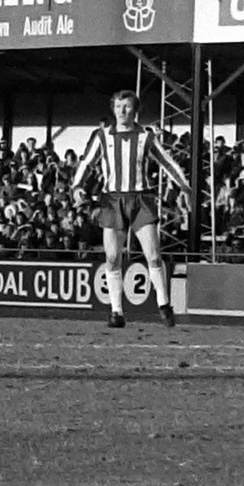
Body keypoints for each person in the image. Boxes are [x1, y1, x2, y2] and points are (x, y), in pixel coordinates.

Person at [71, 90, 189, 328]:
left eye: (126, 107)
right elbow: (87, 162)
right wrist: (76, 186)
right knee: (113, 256)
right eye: (118, 107)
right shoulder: (102, 136)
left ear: (135, 110)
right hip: (112, 200)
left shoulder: (146, 136)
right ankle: (116, 312)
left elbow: (166, 162)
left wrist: (184, 186)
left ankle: (164, 305)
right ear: (113, 109)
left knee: (153, 255)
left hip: (140, 199)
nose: (122, 111)